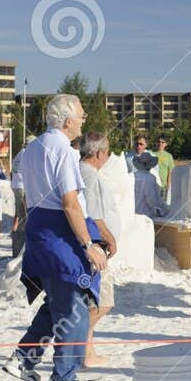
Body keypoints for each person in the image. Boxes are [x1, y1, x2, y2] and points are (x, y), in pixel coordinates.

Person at [3, 95, 107, 381]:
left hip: (40, 230)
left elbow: (25, 194)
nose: (84, 121)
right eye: (82, 116)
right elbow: (70, 202)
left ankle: (23, 359)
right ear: (67, 121)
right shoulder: (63, 150)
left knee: (57, 302)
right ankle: (64, 377)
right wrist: (89, 244)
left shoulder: (32, 148)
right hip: (61, 234)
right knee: (74, 306)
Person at [79, 132, 121, 367]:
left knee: (94, 301)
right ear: (98, 153)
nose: (108, 156)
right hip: (96, 246)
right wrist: (110, 238)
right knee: (103, 302)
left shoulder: (81, 171)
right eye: (106, 151)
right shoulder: (90, 176)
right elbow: (94, 215)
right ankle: (78, 342)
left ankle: (87, 353)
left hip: (91, 245)